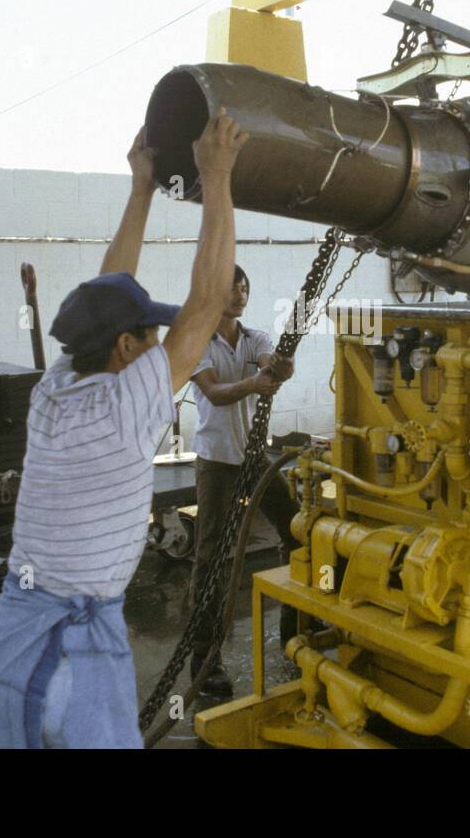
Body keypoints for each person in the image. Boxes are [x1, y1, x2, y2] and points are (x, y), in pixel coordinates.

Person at [0, 110, 248, 748]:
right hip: (74, 648)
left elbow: (106, 289)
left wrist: (141, 189)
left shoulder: (57, 387)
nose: (160, 345)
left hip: (14, 635)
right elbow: (207, 304)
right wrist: (219, 178)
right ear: (126, 347)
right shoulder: (125, 408)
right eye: (150, 335)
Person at [187, 265, 298, 698]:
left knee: (296, 528)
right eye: (233, 287)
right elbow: (214, 393)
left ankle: (296, 625)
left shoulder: (256, 340)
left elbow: (275, 364)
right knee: (211, 555)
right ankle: (204, 656)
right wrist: (254, 382)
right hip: (216, 463)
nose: (241, 293)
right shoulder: (198, 342)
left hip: (255, 458)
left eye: (246, 287)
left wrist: (281, 365)